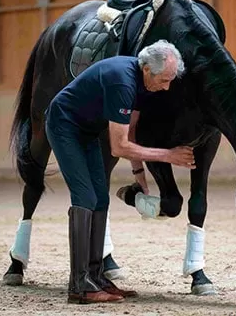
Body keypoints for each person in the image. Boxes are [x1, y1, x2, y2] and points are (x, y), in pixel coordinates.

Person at [45, 40, 195, 304]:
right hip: (64, 125)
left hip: (88, 131)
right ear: (147, 69)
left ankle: (96, 277)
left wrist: (140, 178)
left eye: (171, 80)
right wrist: (169, 156)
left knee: (100, 198)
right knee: (85, 198)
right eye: (164, 79)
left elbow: (131, 129)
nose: (167, 86)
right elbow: (119, 146)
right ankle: (80, 287)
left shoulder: (142, 82)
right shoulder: (123, 82)